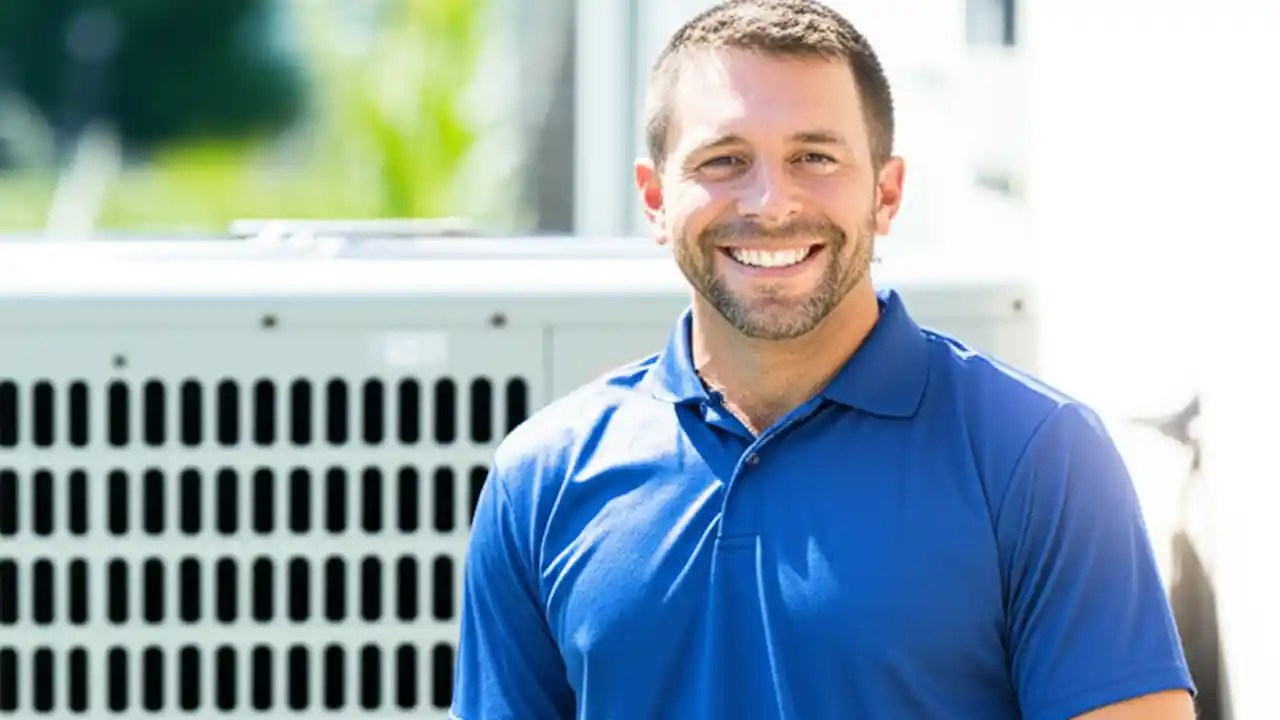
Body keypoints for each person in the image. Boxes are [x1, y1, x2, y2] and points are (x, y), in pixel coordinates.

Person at [451, 1, 1196, 717]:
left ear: (887, 192)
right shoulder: (541, 480)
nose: (771, 202)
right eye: (724, 159)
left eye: (814, 156)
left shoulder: (1037, 455)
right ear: (654, 199)